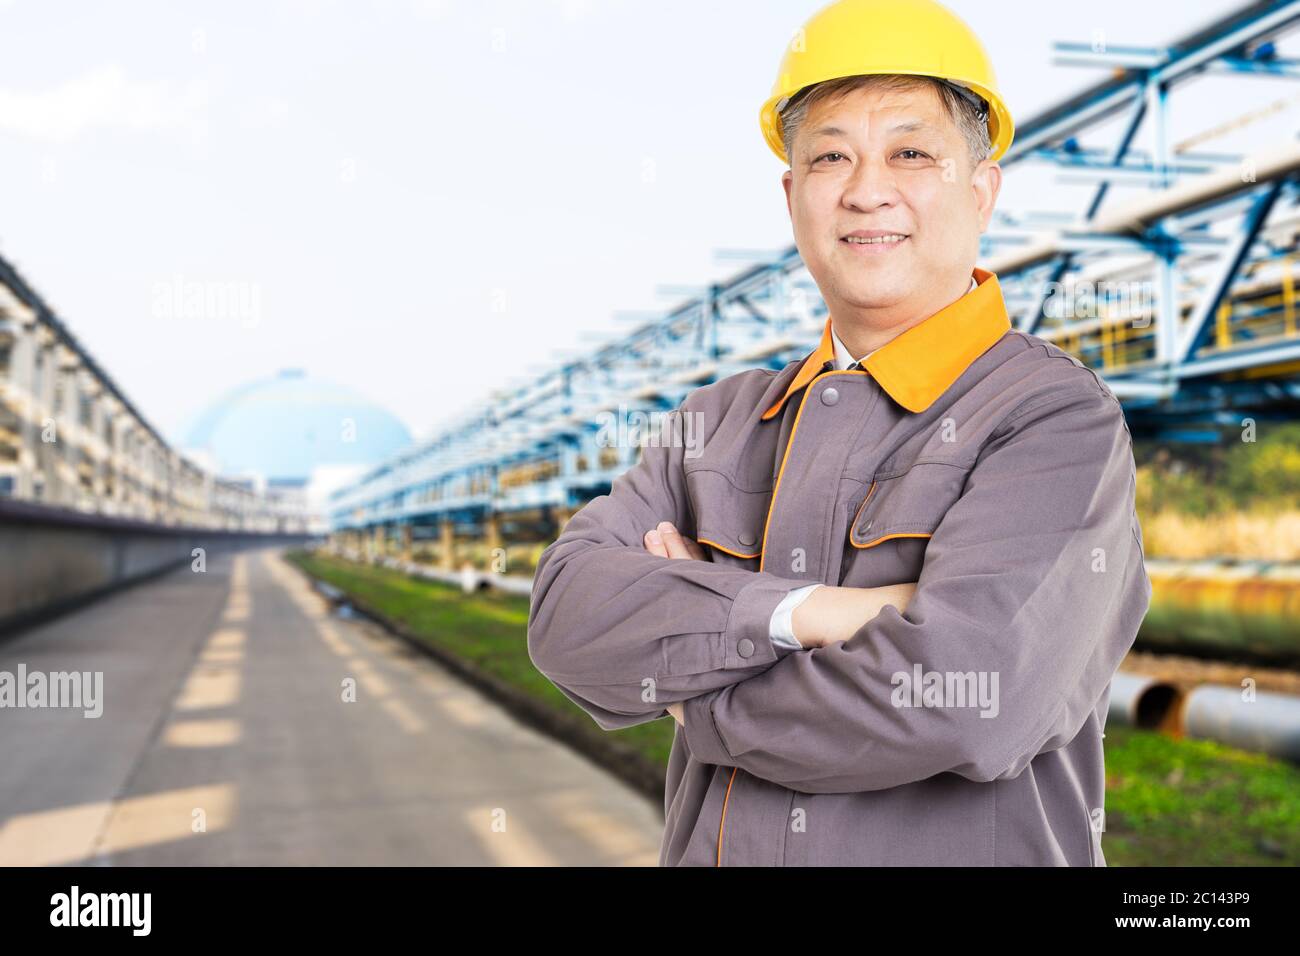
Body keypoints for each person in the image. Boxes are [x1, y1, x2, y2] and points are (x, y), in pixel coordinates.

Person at [527, 0, 1151, 866]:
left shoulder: (1051, 416)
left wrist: (692, 693)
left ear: (981, 190)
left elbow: (973, 699)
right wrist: (813, 615)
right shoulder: (714, 422)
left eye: (910, 152)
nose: (866, 189)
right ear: (794, 196)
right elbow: (566, 622)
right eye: (830, 156)